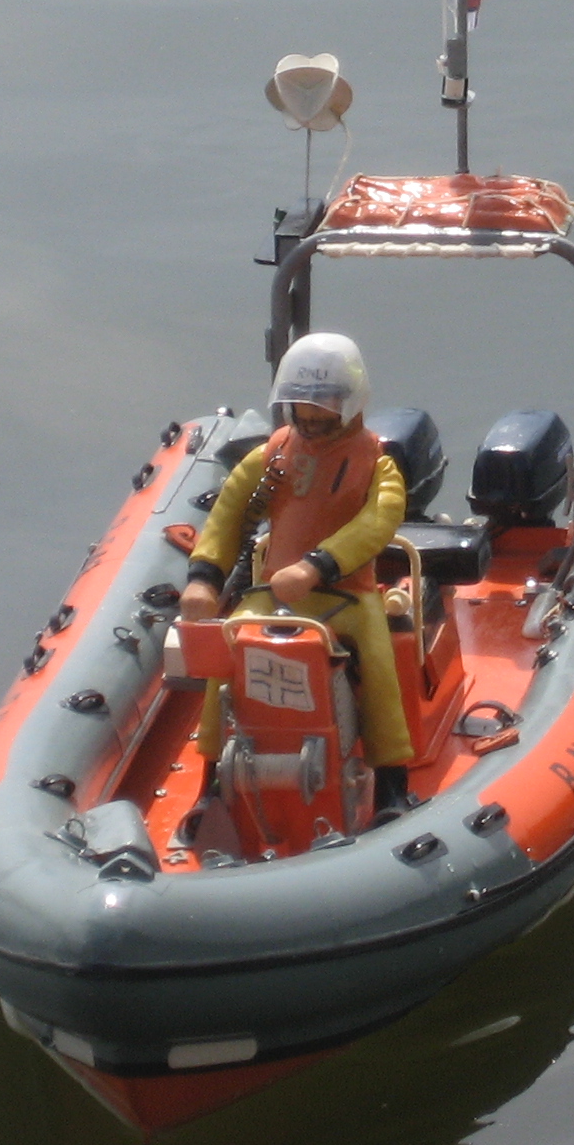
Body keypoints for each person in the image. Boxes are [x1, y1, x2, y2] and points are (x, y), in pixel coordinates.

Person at [181, 331, 416, 822]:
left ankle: (393, 783)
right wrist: (204, 576)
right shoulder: (270, 456)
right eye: (301, 406)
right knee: (224, 653)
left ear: (348, 404)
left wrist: (317, 566)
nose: (309, 417)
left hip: (346, 595)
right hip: (271, 591)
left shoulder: (378, 465)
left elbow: (376, 525)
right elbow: (228, 512)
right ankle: (211, 778)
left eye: (322, 406)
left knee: (376, 662)